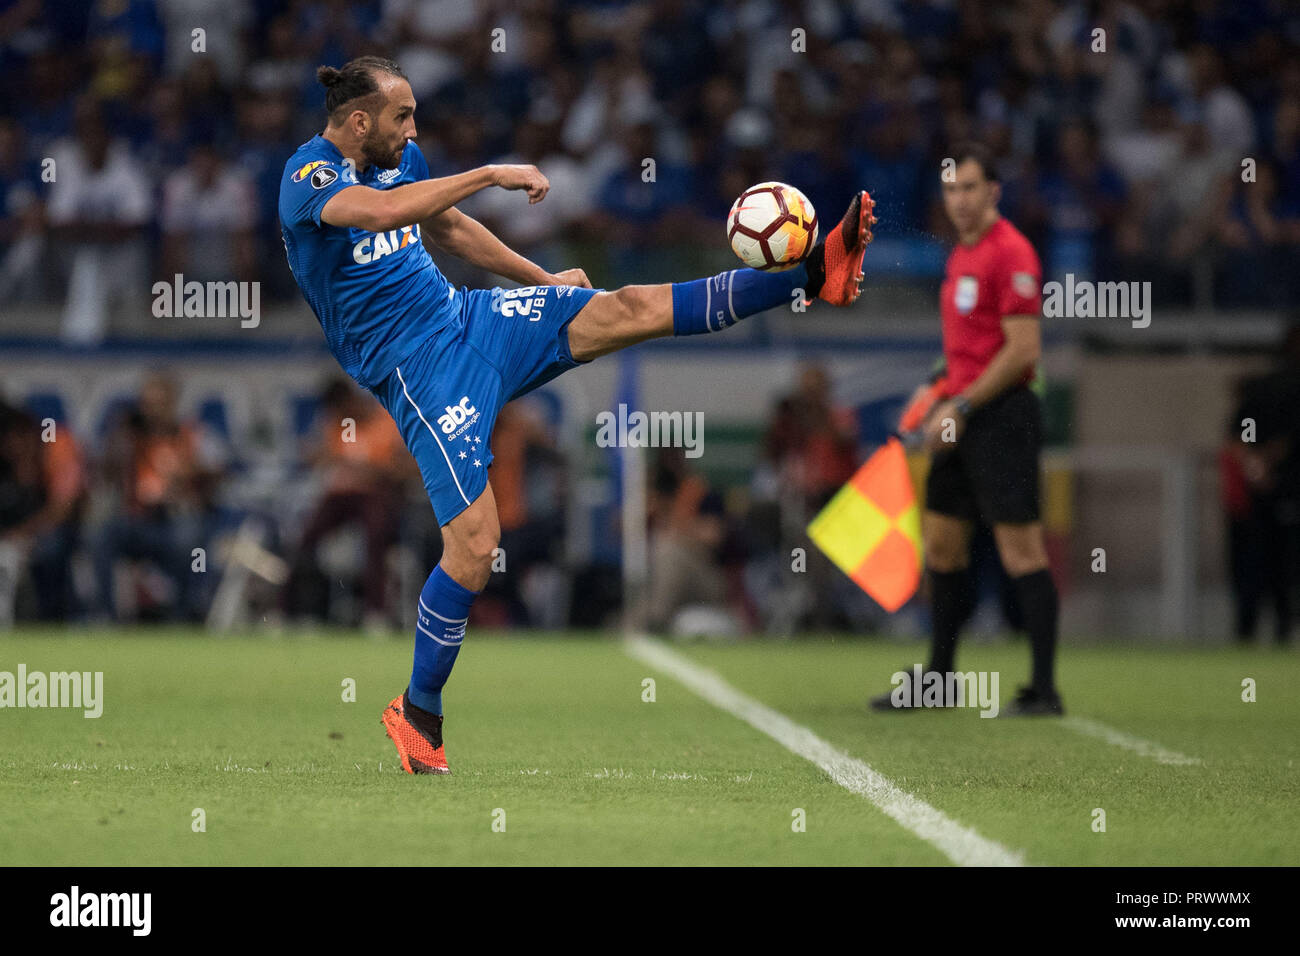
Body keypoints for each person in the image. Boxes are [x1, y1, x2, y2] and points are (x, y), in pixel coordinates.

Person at [279, 56, 875, 774]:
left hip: (474, 319)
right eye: (402, 116)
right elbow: (378, 214)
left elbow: (450, 230)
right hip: (420, 373)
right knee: (474, 549)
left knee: (629, 309)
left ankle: (816, 272)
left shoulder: (405, 159)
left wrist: (542, 279)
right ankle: (419, 713)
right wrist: (492, 172)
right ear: (356, 122)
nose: (413, 128)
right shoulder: (308, 177)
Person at [870, 142, 1062, 716]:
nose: (958, 200)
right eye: (950, 189)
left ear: (993, 192)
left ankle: (1043, 689)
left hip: (1001, 416)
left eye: (970, 188)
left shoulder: (1013, 253)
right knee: (943, 546)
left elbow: (1022, 350)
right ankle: (941, 680)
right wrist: (936, 390)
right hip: (960, 412)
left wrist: (962, 407)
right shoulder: (960, 256)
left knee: (1021, 551)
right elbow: (968, 352)